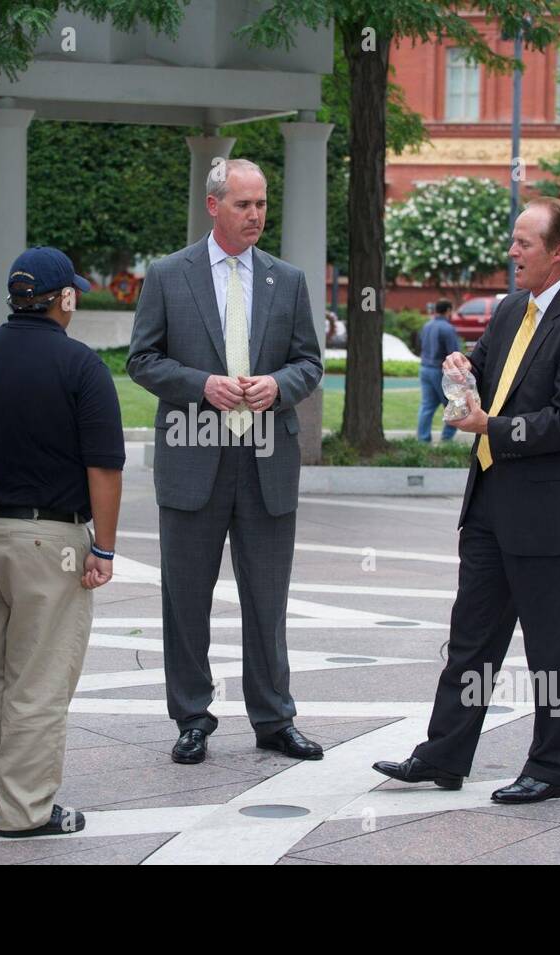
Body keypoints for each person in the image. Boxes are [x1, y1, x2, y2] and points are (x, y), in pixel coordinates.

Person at [373, 197, 560, 804]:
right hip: (487, 507)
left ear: (558, 253)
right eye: (513, 240)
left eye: (524, 243)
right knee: (471, 641)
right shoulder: (509, 310)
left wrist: (492, 429)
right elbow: (480, 378)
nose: (512, 252)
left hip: (546, 519)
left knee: (549, 652)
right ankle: (445, 756)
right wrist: (459, 371)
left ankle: (550, 768)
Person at [127, 158, 324, 765]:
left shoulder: (286, 280)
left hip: (266, 461)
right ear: (214, 206)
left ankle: (274, 718)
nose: (257, 216)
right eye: (244, 205)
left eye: (262, 204)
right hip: (193, 456)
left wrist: (280, 386)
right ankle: (192, 717)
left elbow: (309, 363)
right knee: (186, 597)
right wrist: (201, 385)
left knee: (268, 598)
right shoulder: (167, 275)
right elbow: (142, 360)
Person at [0, 246, 124, 838]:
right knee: (39, 682)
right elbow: (105, 467)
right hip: (47, 538)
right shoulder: (81, 366)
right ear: (66, 298)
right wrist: (103, 547)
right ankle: (24, 810)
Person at [416, 300, 461, 443]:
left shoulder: (427, 326)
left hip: (425, 368)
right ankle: (447, 438)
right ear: (448, 310)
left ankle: (423, 440)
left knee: (427, 406)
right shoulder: (447, 328)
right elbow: (453, 353)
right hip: (440, 371)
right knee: (454, 405)